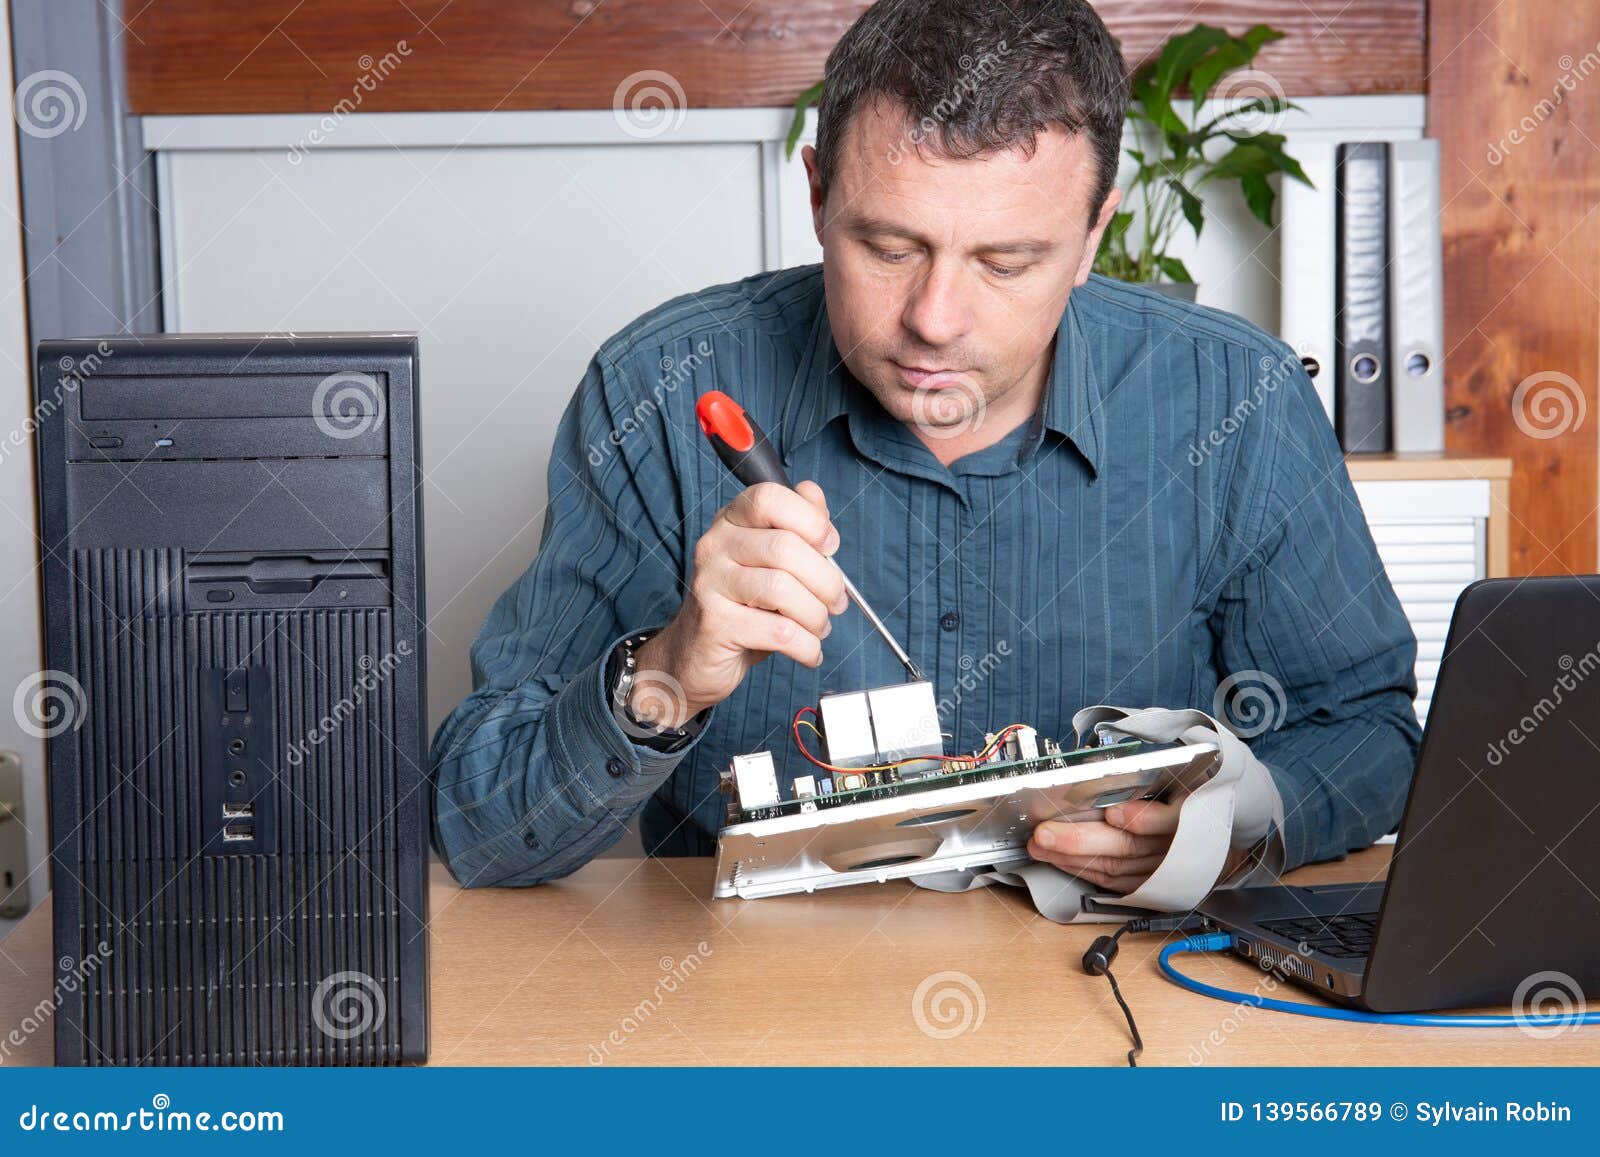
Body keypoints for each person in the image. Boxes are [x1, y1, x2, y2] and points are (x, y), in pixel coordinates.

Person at [430, 0, 1419, 890]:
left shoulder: (1230, 399)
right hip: (745, 1024)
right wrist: (669, 673)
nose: (935, 320)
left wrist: (1223, 829)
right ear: (816, 196)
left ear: (1091, 237)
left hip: (1112, 1013)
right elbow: (477, 826)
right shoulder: (660, 389)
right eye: (890, 248)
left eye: (1006, 260)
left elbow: (1370, 735)